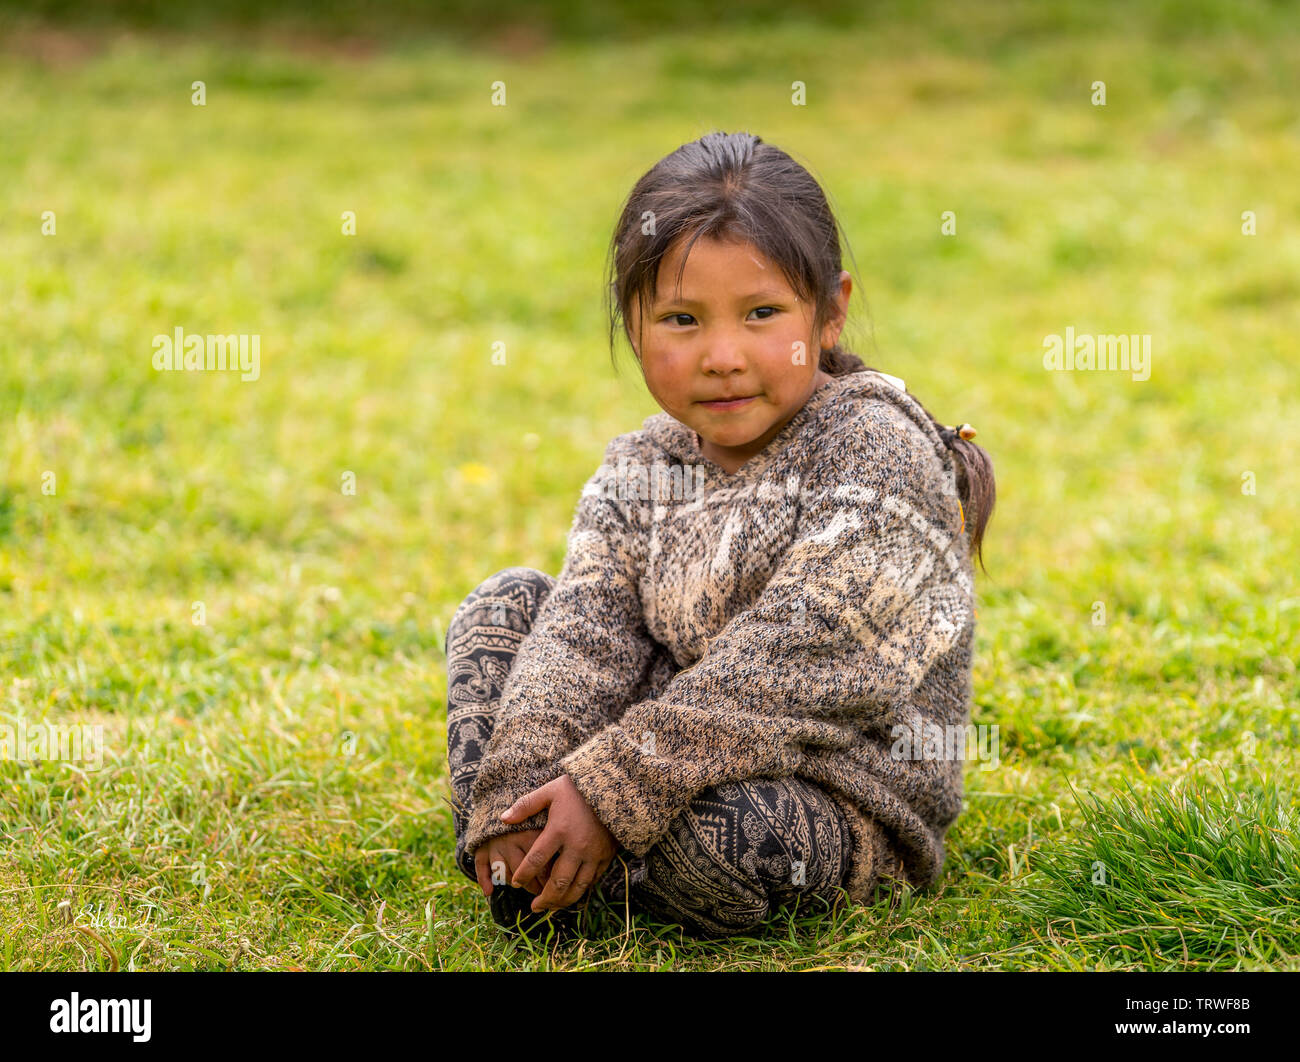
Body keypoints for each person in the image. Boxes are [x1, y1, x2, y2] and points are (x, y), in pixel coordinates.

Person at [445, 129, 996, 940]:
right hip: (654, 752)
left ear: (832, 311)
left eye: (762, 314)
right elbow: (585, 632)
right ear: (631, 327)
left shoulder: (874, 448)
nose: (723, 356)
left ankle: (594, 860)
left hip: (833, 788)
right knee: (508, 606)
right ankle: (525, 854)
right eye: (681, 319)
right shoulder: (641, 465)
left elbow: (800, 663)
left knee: (716, 840)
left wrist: (611, 787)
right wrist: (519, 785)